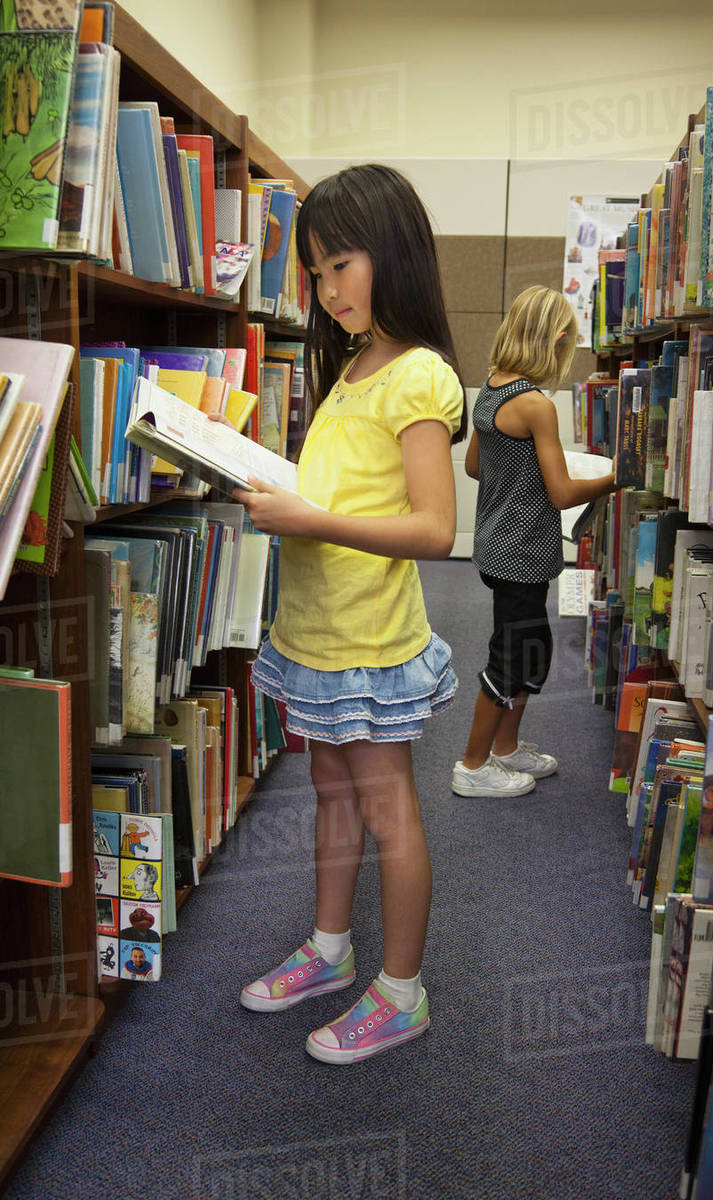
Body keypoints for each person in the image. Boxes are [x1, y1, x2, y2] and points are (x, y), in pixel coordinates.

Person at [231, 163, 465, 1064]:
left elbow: (436, 529)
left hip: (370, 641)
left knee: (387, 809)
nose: (328, 292)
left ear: (395, 253)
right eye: (316, 273)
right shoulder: (350, 365)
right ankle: (332, 949)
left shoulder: (416, 377)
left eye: (342, 266)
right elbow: (343, 486)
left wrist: (310, 516)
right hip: (319, 634)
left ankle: (402, 994)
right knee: (331, 794)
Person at [451, 284, 619, 799]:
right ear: (559, 337)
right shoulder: (535, 404)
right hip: (521, 553)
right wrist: (617, 477)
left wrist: (520, 477)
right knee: (511, 656)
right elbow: (564, 491)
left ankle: (506, 748)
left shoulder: (492, 389)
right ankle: (473, 765)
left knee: (531, 648)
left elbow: (476, 465)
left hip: (497, 544)